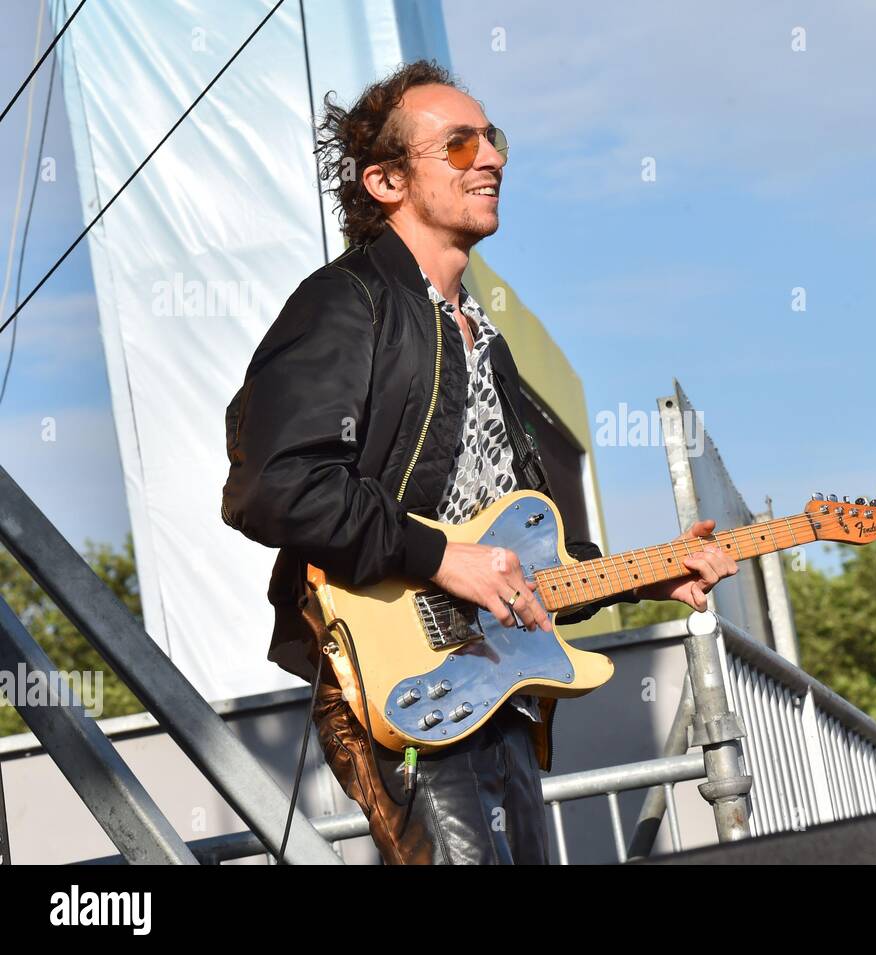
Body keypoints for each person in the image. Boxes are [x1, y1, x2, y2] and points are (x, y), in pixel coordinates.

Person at [220, 59, 738, 864]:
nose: (491, 158)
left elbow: (516, 557)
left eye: (490, 139)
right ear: (387, 180)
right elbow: (274, 485)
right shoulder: (346, 302)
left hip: (496, 685)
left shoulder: (484, 344)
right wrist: (439, 557)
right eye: (458, 146)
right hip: (398, 678)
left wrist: (646, 576)